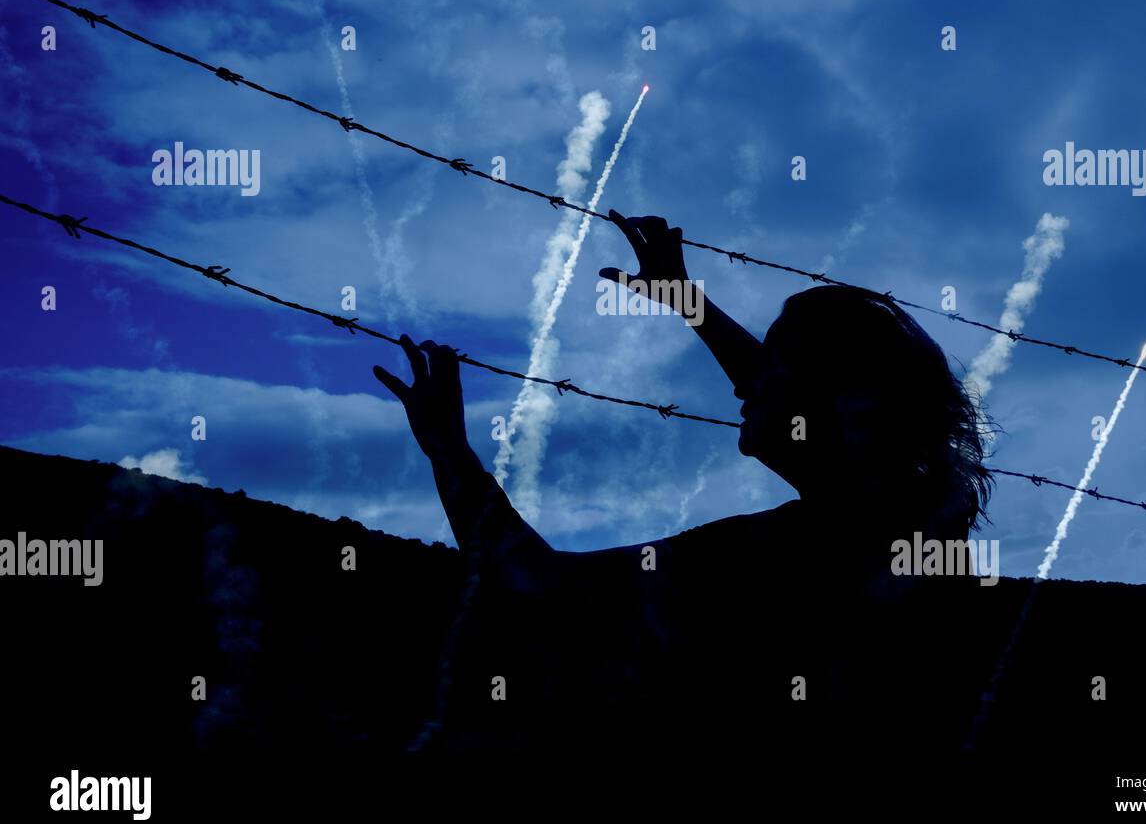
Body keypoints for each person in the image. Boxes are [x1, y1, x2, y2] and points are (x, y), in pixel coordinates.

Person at [373, 212, 994, 760]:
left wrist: (447, 449)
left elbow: (535, 582)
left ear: (842, 409)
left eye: (773, 369)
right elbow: (799, 407)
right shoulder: (917, 516)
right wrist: (687, 301)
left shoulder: (778, 552)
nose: (745, 387)